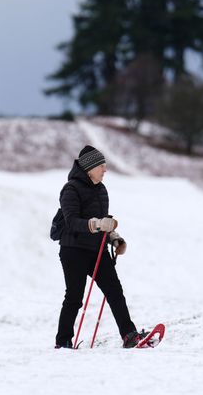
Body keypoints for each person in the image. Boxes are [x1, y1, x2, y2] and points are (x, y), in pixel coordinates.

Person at [54, 145, 142, 349]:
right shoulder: (71, 189)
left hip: (97, 250)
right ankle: (63, 341)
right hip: (73, 249)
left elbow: (104, 222)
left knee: (115, 292)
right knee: (74, 297)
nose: (105, 170)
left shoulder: (102, 190)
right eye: (101, 166)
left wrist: (114, 238)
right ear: (90, 168)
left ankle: (129, 335)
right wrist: (96, 224)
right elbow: (72, 221)